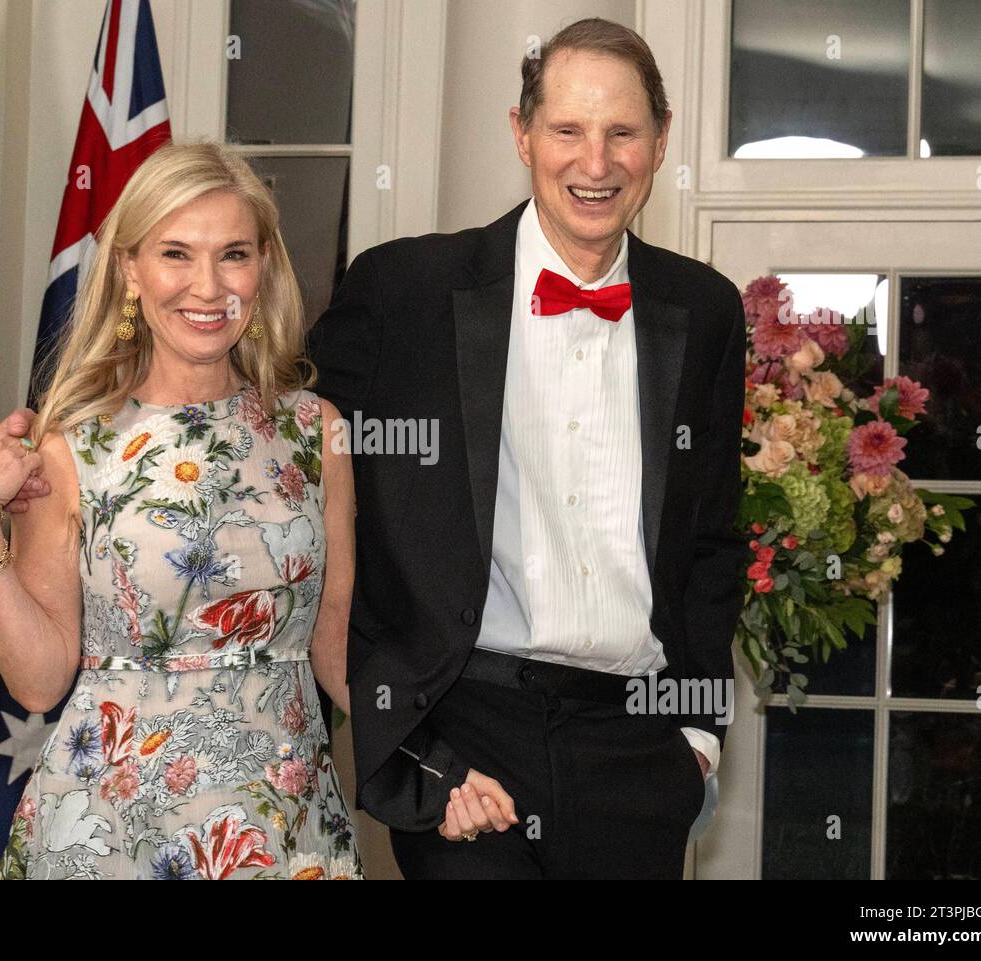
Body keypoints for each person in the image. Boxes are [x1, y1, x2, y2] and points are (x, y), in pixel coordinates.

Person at [307, 18, 748, 878]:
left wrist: (697, 739)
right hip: (466, 733)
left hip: (638, 748)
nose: (596, 162)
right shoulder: (405, 291)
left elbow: (712, 540)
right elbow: (275, 441)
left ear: (660, 142)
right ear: (521, 133)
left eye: (623, 132)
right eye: (567, 131)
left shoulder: (706, 311)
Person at [0, 140, 363, 880]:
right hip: (109, 832)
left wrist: (456, 760)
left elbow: (339, 652)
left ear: (263, 265)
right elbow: (40, 681)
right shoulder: (71, 444)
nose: (207, 286)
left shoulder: (315, 432)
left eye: (233, 253)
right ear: (130, 269)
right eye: (176, 253)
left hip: (286, 832)